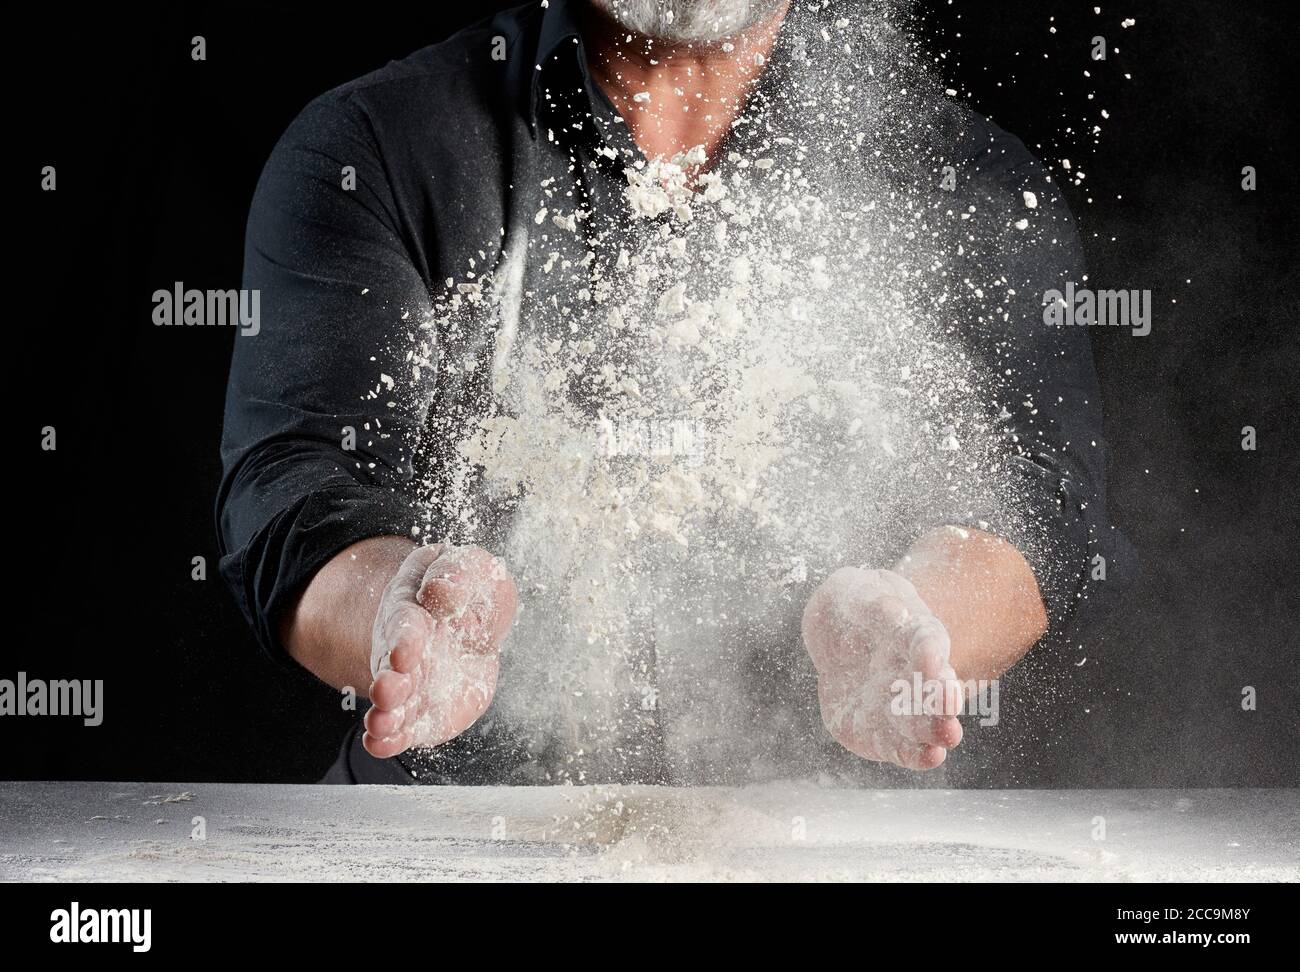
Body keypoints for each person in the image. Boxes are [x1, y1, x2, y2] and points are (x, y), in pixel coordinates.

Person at [218, 0, 1123, 784]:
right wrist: (398, 604)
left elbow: (1040, 500)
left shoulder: (959, 185)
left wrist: (916, 619)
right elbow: (292, 482)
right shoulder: (376, 148)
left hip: (821, 840)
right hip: (444, 832)